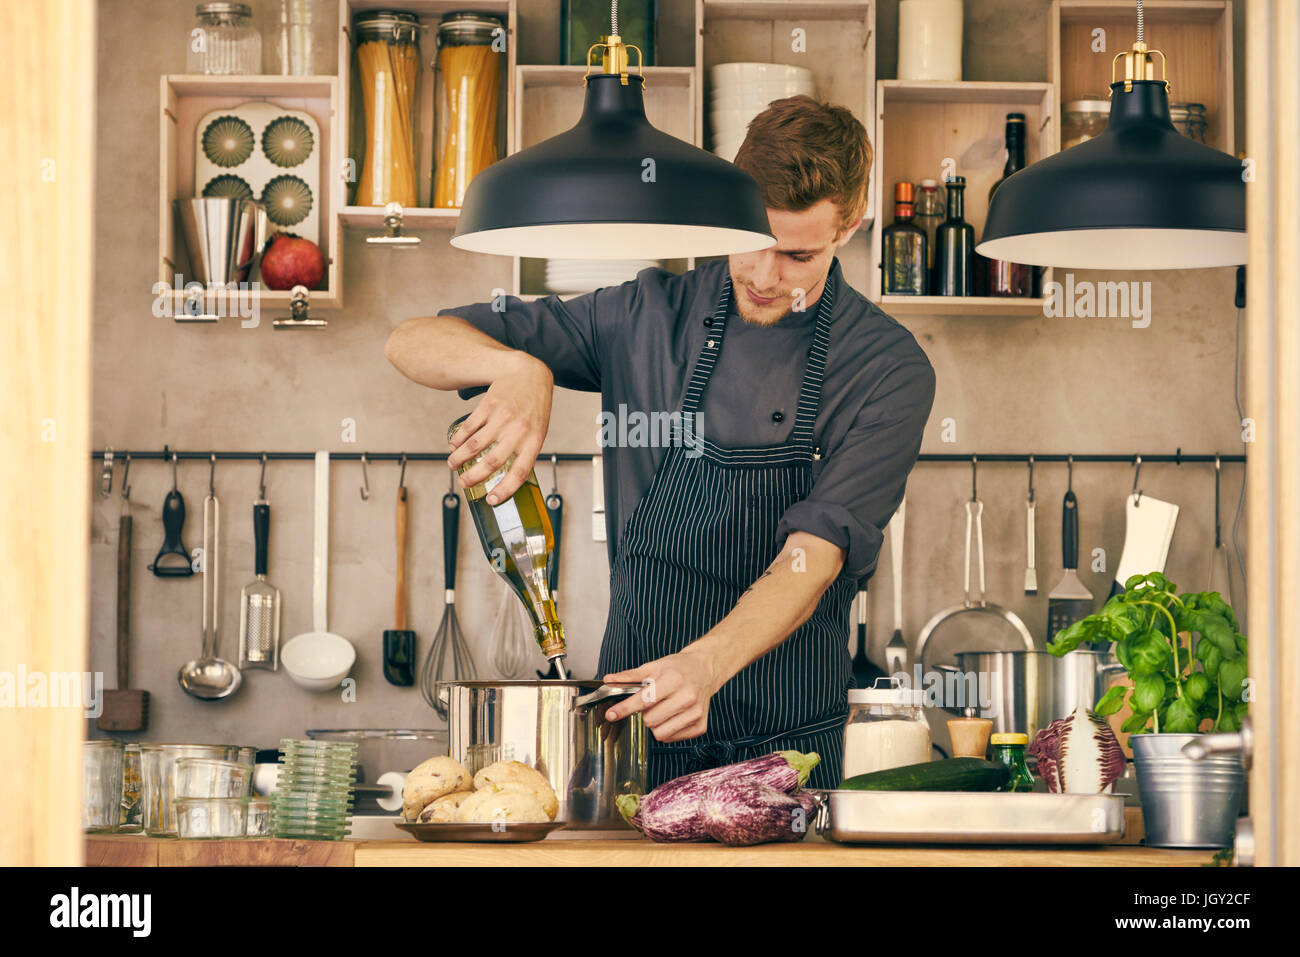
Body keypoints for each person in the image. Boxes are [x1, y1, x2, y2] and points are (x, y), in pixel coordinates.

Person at [385, 95, 935, 789]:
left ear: (850, 227)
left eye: (798, 254)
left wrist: (702, 666)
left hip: (790, 763)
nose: (766, 276)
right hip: (635, 752)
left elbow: (815, 555)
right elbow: (410, 341)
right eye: (752, 239)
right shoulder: (641, 316)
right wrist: (516, 367)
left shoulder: (885, 366)